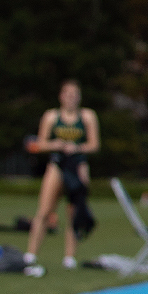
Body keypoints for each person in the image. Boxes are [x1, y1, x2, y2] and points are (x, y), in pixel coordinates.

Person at [24, 80, 100, 271]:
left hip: (78, 165)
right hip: (58, 164)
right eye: (67, 94)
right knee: (44, 210)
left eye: (75, 94)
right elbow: (40, 143)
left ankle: (70, 256)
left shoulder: (88, 116)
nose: (71, 98)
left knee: (74, 212)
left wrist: (77, 148)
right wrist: (55, 144)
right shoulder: (51, 116)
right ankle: (31, 254)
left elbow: (94, 145)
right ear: (61, 96)